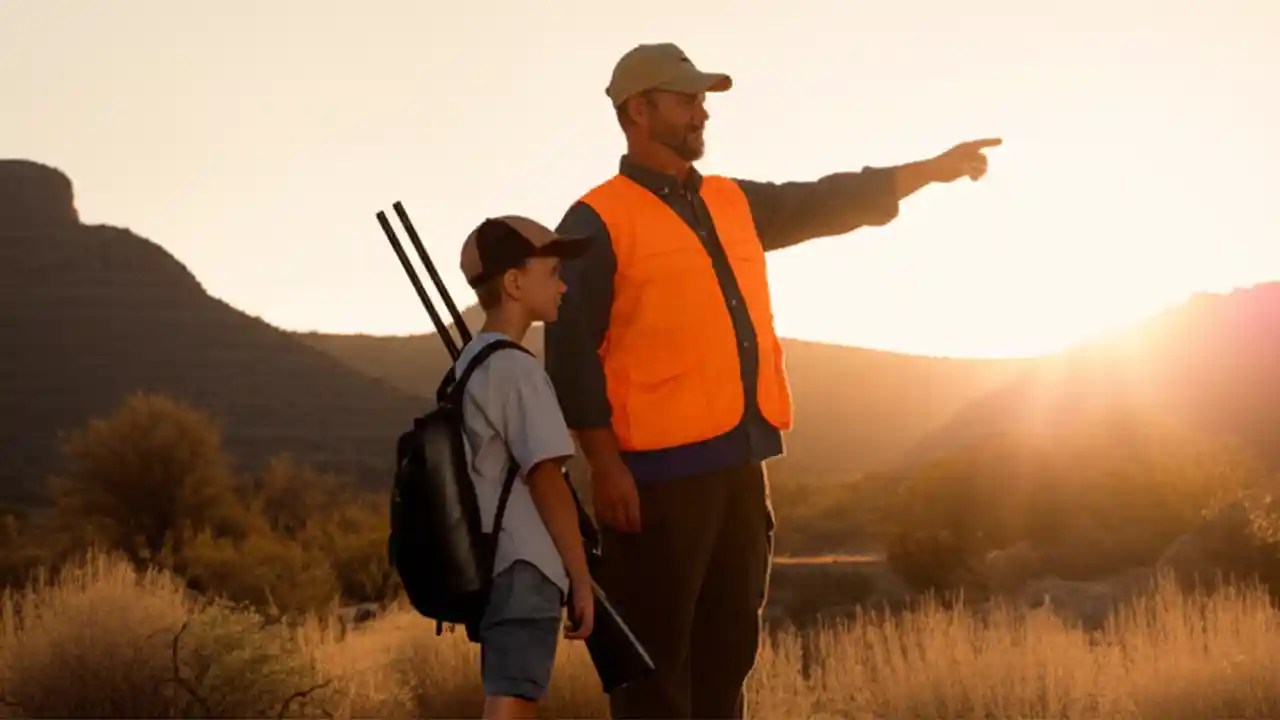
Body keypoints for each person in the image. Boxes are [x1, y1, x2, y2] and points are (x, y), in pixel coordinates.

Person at [544, 42, 1001, 719]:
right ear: (638, 111)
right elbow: (570, 349)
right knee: (653, 668)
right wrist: (604, 465)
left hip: (739, 463)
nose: (702, 111)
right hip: (654, 481)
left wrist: (927, 172)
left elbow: (824, 201)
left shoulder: (729, 200)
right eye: (687, 98)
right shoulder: (597, 219)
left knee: (728, 652)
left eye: (703, 99)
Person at [454, 215, 598, 720]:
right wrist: (580, 579)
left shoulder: (470, 363)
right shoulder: (516, 369)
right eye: (553, 270)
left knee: (509, 693)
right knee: (514, 700)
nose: (562, 284)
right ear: (514, 283)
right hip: (527, 565)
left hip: (497, 564)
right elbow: (547, 480)